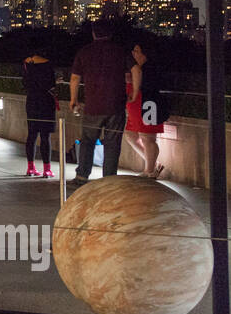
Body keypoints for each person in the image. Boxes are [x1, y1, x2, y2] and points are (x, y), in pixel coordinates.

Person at [68, 19, 128, 188]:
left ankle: (82, 176)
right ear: (111, 33)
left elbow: (74, 78)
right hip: (116, 106)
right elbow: (136, 70)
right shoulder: (119, 51)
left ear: (94, 33)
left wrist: (74, 99)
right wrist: (135, 91)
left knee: (87, 140)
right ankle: (109, 179)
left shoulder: (84, 52)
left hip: (93, 106)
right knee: (112, 143)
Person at [126, 41, 165, 178]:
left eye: (137, 51)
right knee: (130, 135)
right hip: (137, 106)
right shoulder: (138, 68)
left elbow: (150, 87)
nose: (133, 53)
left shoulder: (150, 68)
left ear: (145, 54)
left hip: (148, 105)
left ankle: (150, 171)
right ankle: (153, 164)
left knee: (147, 137)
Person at [21, 48, 57, 178]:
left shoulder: (26, 63)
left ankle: (30, 168)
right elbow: (51, 84)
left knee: (31, 135)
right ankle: (47, 170)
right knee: (45, 136)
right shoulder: (47, 63)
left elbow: (25, 83)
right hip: (45, 102)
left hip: (31, 101)